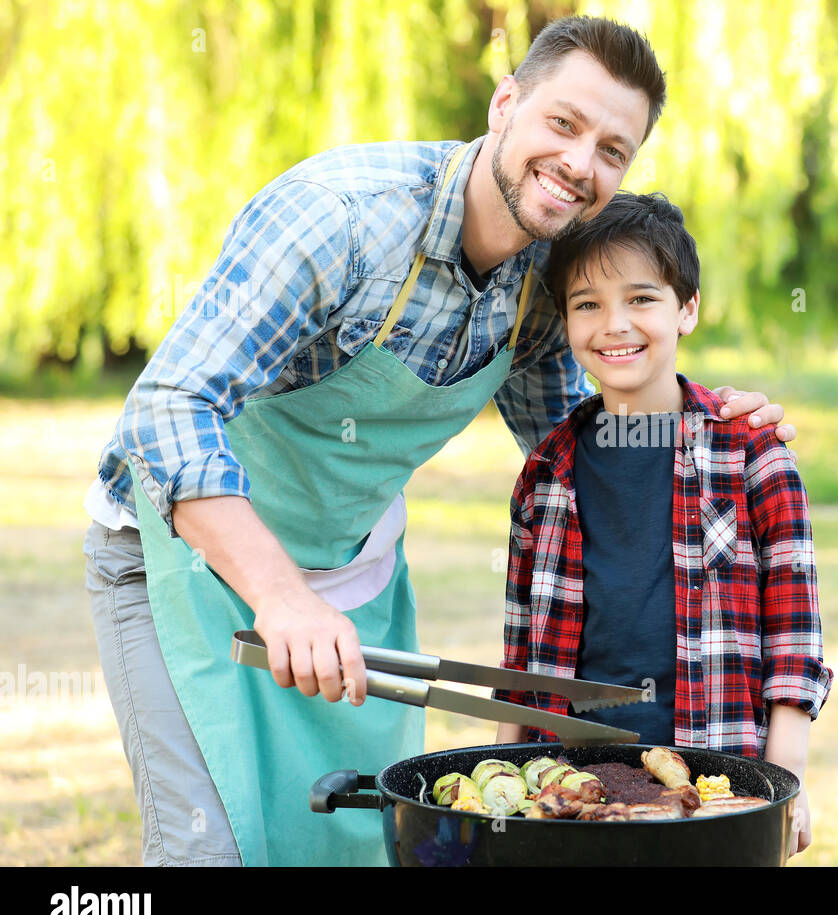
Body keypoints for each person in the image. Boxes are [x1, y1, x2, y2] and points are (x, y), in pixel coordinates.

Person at [81, 16, 798, 866]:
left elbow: (580, 449)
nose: (580, 163)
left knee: (368, 848)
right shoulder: (342, 219)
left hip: (352, 588)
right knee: (214, 853)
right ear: (505, 105)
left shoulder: (549, 277)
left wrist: (713, 421)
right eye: (563, 124)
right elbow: (166, 408)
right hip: (185, 566)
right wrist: (278, 595)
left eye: (614, 149)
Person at [493, 192, 831, 855]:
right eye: (587, 304)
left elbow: (795, 647)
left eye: (641, 299)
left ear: (688, 309)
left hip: (715, 782)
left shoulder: (752, 453)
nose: (614, 324)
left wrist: (784, 786)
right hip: (571, 783)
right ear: (565, 323)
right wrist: (499, 778)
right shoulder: (546, 471)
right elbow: (519, 659)